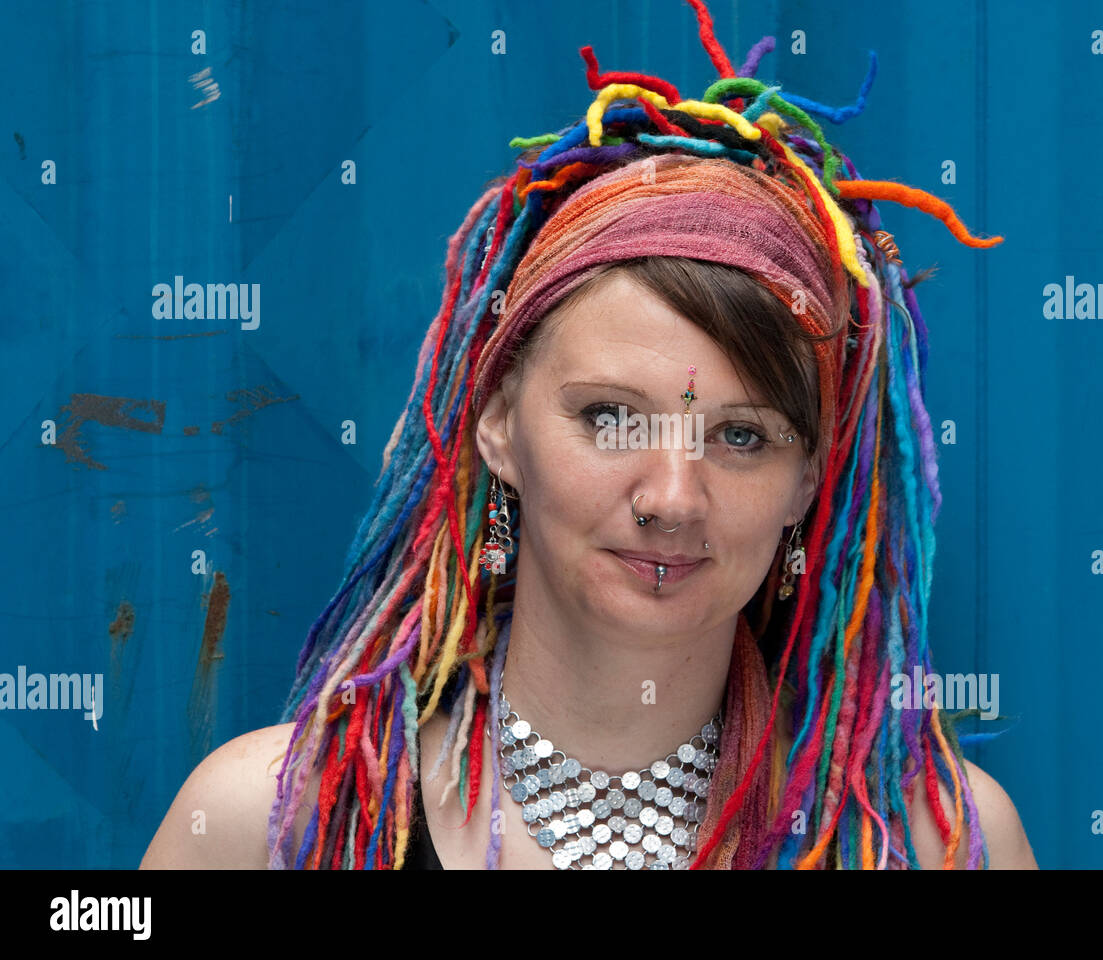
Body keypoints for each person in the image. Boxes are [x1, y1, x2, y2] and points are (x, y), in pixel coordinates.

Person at [141, 0, 1035, 871]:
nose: (672, 500)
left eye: (743, 436)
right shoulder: (274, 827)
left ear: (811, 478)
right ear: (495, 421)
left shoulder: (934, 846)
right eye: (610, 418)